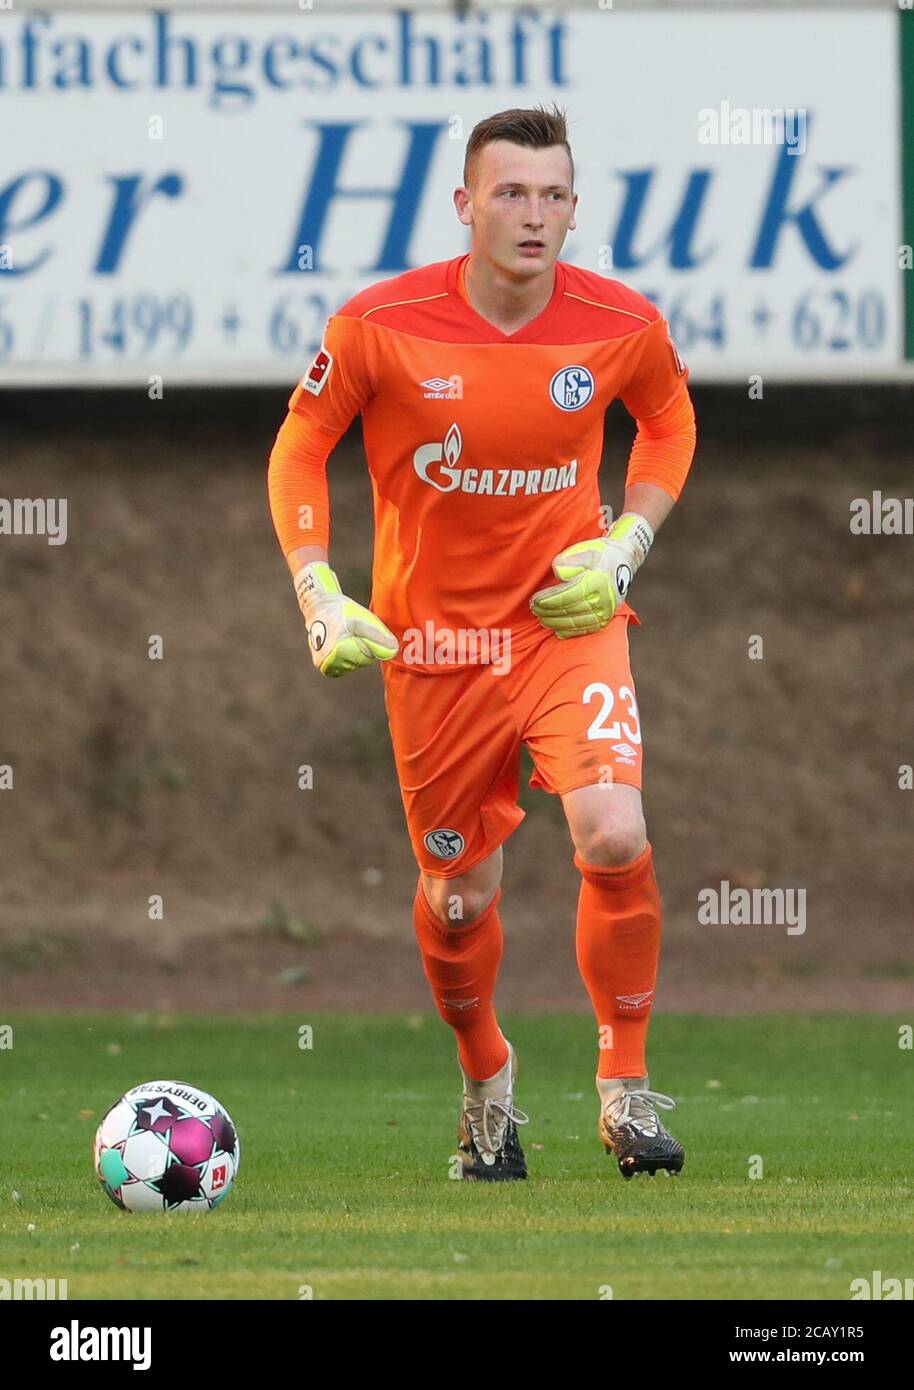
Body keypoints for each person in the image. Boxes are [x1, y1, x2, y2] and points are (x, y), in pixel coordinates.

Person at [268, 104, 696, 1181]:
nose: (533, 215)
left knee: (612, 831)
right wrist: (320, 591)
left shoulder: (620, 323)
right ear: (465, 205)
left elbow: (668, 420)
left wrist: (626, 545)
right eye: (511, 193)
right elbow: (300, 448)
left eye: (553, 195)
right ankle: (487, 1088)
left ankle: (625, 1089)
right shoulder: (379, 324)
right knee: (457, 897)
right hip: (435, 649)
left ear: (574, 209)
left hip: (565, 625)